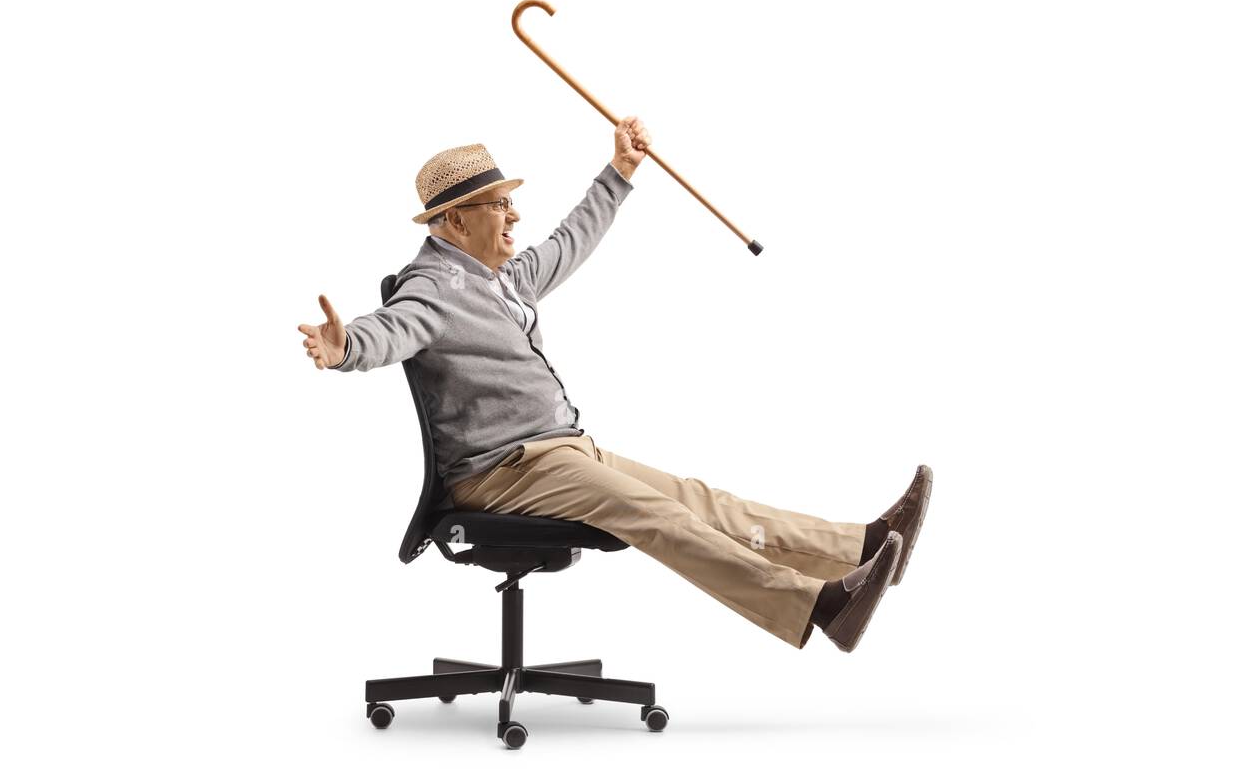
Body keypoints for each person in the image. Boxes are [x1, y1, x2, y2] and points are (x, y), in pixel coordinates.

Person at [298, 117, 932, 652]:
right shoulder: (433, 286)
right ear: (455, 221)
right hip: (504, 471)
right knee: (657, 515)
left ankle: (860, 546)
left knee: (700, 500)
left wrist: (620, 171)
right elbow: (391, 329)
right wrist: (345, 346)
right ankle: (820, 607)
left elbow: (572, 239)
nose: (514, 213)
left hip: (560, 452)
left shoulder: (504, 278)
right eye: (497, 204)